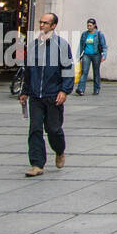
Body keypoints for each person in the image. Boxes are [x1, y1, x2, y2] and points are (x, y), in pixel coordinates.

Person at [18, 12, 73, 176]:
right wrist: (25, 91)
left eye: (46, 23)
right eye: (41, 22)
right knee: (34, 129)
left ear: (53, 25)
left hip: (53, 94)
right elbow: (29, 70)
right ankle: (37, 164)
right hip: (36, 95)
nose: (42, 25)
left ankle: (59, 150)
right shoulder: (34, 45)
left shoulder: (61, 45)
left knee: (54, 129)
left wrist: (64, 90)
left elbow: (68, 69)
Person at [74, 18, 107, 95]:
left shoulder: (99, 34)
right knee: (84, 71)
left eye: (90, 25)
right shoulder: (84, 34)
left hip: (96, 55)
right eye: (88, 25)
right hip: (86, 54)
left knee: (96, 72)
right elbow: (81, 45)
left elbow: (104, 45)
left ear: (94, 25)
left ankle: (96, 89)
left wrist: (104, 55)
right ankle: (80, 89)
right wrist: (78, 56)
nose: (89, 27)